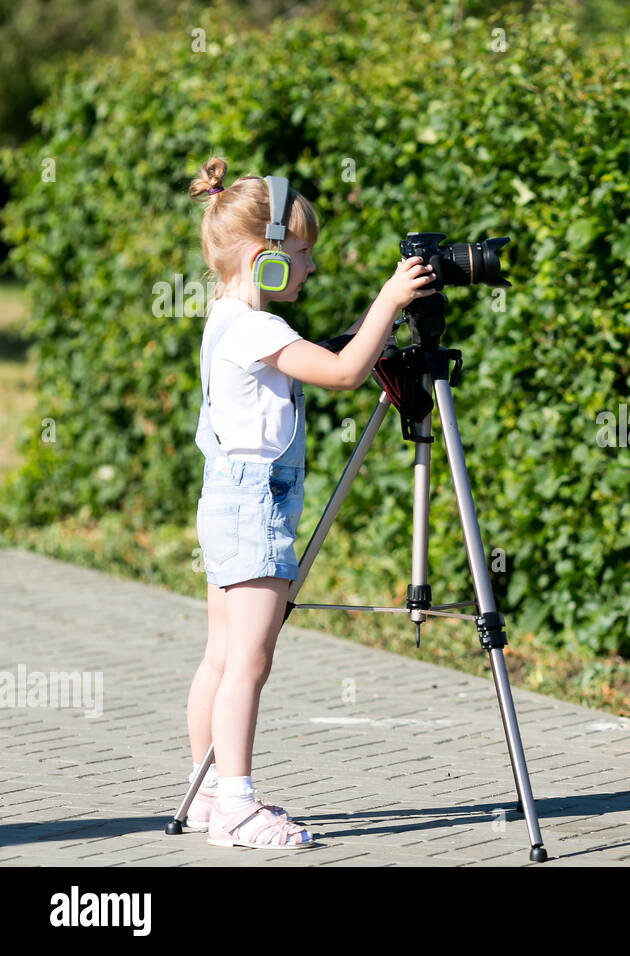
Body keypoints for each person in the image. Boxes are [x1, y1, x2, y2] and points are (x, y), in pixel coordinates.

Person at [181, 157, 436, 848]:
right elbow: (347, 372)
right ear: (264, 257)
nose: (311, 267)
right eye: (301, 253)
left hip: (226, 497)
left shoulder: (227, 319)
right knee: (250, 661)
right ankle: (236, 803)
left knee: (220, 655)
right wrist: (391, 299)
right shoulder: (261, 330)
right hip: (256, 505)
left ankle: (206, 795)